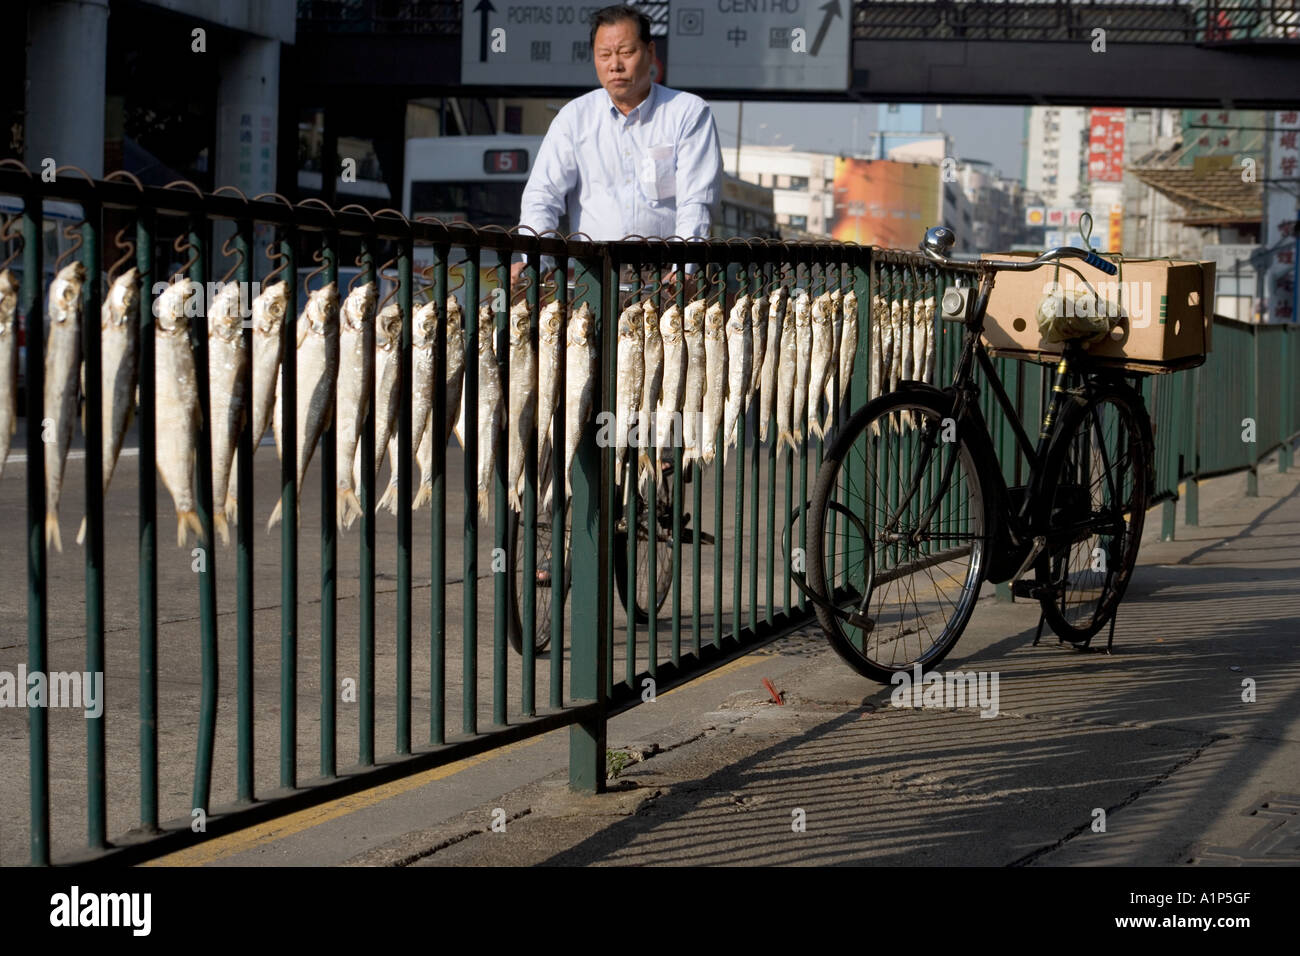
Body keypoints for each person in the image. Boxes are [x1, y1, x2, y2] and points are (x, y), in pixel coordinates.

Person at [516, 4, 723, 274]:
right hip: (593, 276)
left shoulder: (688, 113)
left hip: (665, 277)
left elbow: (696, 201)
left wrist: (683, 270)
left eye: (626, 52)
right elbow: (542, 196)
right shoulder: (574, 118)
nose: (615, 65)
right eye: (604, 54)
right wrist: (534, 263)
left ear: (649, 52)